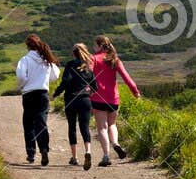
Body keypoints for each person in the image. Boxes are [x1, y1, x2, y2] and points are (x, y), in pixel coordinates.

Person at [90, 34, 140, 167]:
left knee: (102, 127)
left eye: (94, 45)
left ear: (100, 46)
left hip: (97, 97)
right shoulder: (115, 60)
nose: (93, 48)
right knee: (112, 124)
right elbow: (126, 77)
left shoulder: (94, 59)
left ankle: (106, 156)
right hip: (113, 99)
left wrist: (85, 90)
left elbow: (87, 76)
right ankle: (116, 144)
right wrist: (135, 92)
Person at [15, 35, 59, 165]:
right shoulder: (46, 59)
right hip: (43, 94)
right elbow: (55, 75)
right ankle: (44, 149)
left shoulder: (25, 60)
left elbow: (21, 76)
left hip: (28, 94)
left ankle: (31, 153)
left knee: (28, 123)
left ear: (27, 46)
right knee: (41, 123)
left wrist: (23, 86)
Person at [58, 44, 99, 171]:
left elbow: (65, 81)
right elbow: (95, 87)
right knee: (85, 127)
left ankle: (74, 157)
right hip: (85, 100)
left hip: (71, 100)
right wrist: (88, 92)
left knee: (72, 127)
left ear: (74, 53)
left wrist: (56, 93)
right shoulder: (88, 69)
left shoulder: (70, 65)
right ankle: (88, 151)